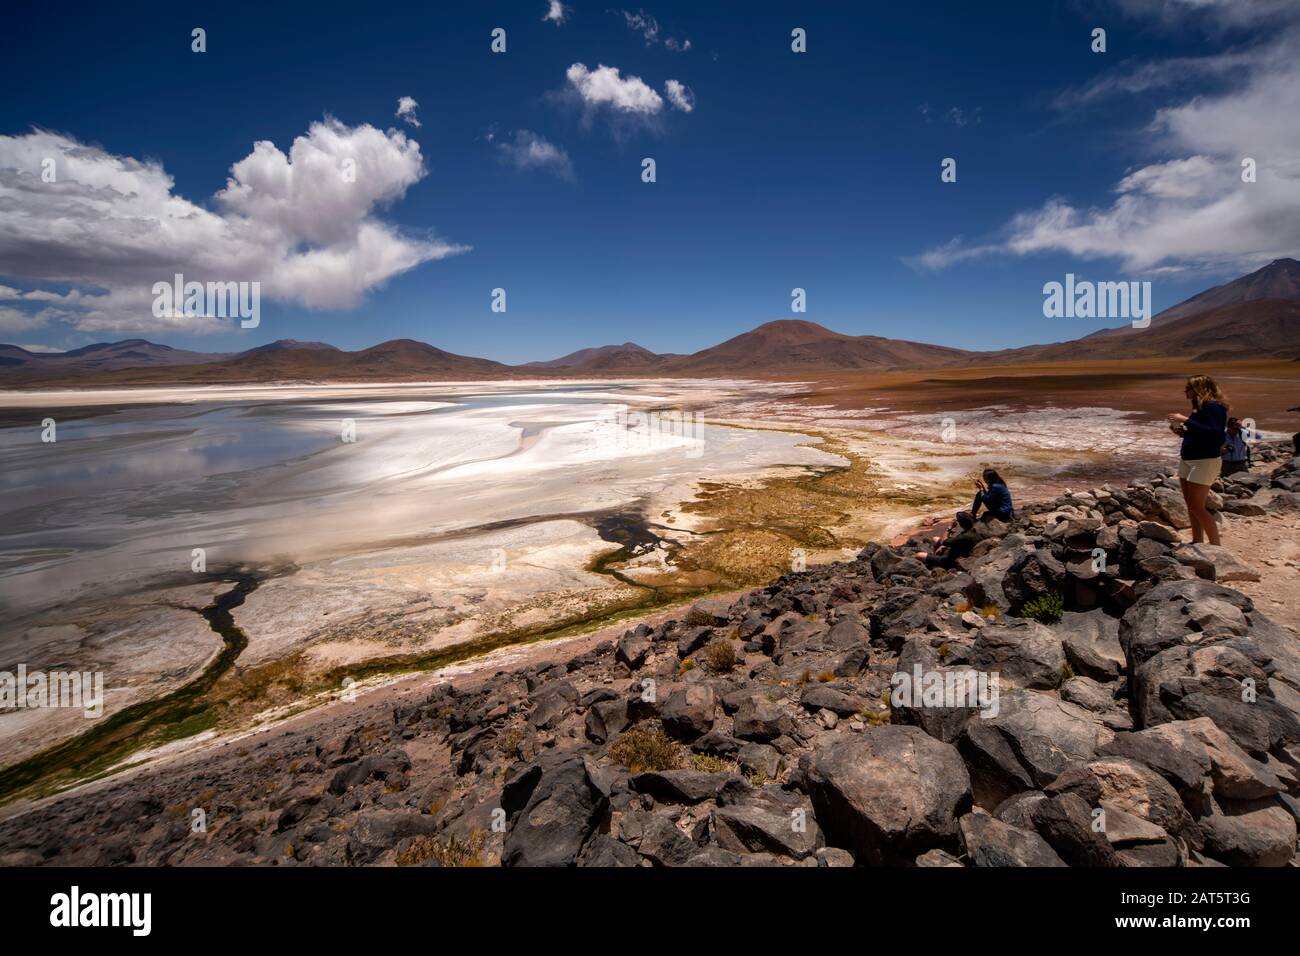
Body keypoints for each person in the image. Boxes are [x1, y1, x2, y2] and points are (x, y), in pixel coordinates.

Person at [1168, 374, 1228, 546]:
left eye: (1189, 388)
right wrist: (1183, 432)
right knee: (1191, 506)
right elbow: (1201, 432)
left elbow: (1216, 434)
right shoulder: (1199, 407)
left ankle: (1216, 546)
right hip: (1189, 459)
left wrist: (1185, 420)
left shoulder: (1213, 407)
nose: (1185, 391)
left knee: (1196, 506)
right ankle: (1197, 540)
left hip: (1205, 460)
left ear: (1200, 389)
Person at [914, 511, 983, 569]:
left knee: (919, 555)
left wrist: (949, 528)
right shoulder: (972, 531)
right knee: (935, 539)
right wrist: (943, 546)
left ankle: (934, 564)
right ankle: (934, 557)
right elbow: (949, 542)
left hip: (949, 560)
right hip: (958, 552)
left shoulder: (964, 536)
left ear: (961, 524)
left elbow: (944, 542)